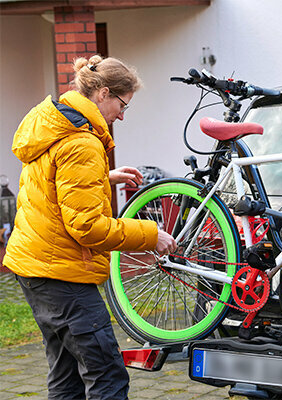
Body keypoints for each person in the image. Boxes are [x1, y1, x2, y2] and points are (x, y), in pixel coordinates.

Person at [3, 55, 177, 400]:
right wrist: (149, 235)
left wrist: (102, 176)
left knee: (66, 375)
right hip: (63, 275)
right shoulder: (81, 142)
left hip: (36, 267)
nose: (123, 115)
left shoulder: (54, 123)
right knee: (107, 376)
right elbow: (87, 227)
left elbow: (50, 181)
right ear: (103, 94)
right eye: (123, 104)